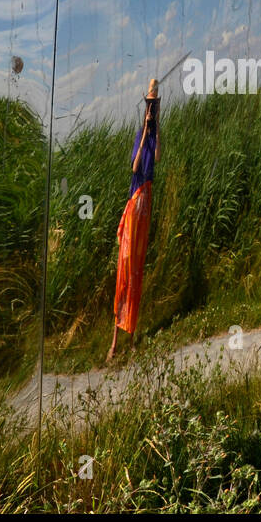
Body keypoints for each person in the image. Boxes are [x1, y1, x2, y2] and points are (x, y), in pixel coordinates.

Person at [108, 79, 161, 361]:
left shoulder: (154, 138)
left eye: (155, 106)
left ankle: (130, 339)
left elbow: (159, 159)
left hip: (146, 206)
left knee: (137, 270)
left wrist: (157, 127)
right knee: (124, 270)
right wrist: (144, 133)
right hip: (135, 204)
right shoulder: (140, 136)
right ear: (144, 109)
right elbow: (135, 166)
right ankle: (114, 341)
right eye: (149, 106)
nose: (152, 111)